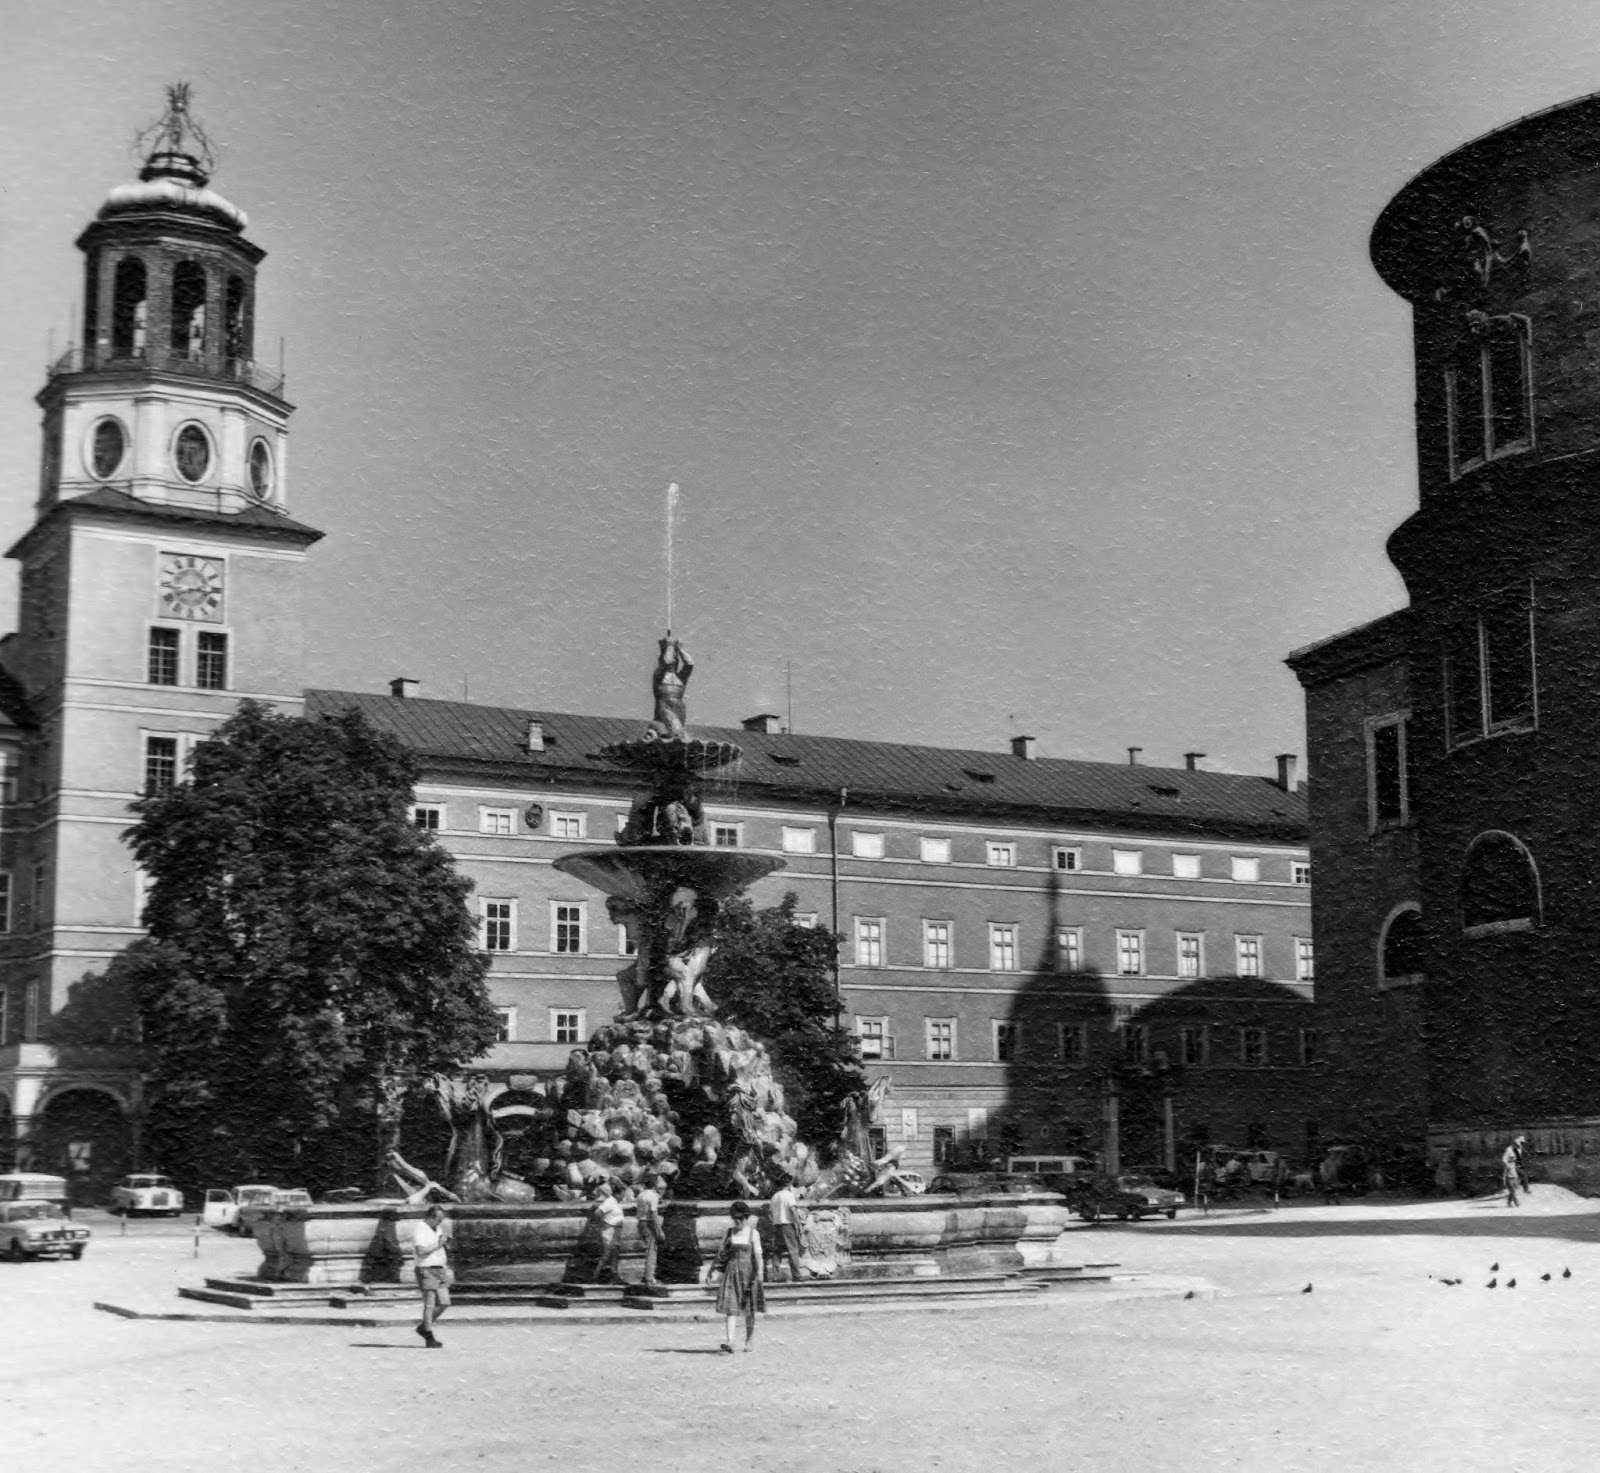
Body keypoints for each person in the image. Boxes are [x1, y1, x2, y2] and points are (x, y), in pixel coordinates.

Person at [712, 1199, 766, 1353]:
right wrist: (713, 1270)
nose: (737, 1221)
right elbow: (721, 1253)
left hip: (749, 1273)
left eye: (740, 1218)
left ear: (746, 1217)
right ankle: (730, 1340)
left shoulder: (753, 1233)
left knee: (750, 1309)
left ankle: (749, 1339)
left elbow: (758, 1255)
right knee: (731, 1307)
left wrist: (760, 1274)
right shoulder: (730, 1232)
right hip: (732, 1272)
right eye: (734, 1217)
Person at [411, 1203, 452, 1349]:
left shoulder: (438, 1228)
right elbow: (421, 1251)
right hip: (426, 1269)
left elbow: (439, 1247)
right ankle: (429, 1335)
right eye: (438, 1220)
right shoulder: (420, 1228)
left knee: (445, 1302)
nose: (440, 1223)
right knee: (430, 1303)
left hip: (440, 1268)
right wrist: (439, 1244)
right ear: (430, 1217)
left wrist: (445, 1244)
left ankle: (424, 1326)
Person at [767, 1173, 806, 1282]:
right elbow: (793, 1210)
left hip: (776, 1225)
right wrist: (799, 1225)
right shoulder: (788, 1195)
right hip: (787, 1225)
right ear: (789, 1183)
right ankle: (797, 1275)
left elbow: (770, 1213)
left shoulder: (774, 1196)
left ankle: (775, 1275)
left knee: (777, 1251)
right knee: (793, 1249)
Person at [591, 1179, 626, 1281]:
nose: (623, 1197)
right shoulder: (610, 1201)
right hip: (610, 1231)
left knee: (615, 1254)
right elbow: (598, 1212)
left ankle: (614, 1275)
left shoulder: (616, 1202)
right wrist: (605, 1223)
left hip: (616, 1231)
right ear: (617, 1194)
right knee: (607, 1254)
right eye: (622, 1194)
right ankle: (595, 1276)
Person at [635, 1172, 665, 1287]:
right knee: (652, 1252)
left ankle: (646, 1276)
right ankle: (650, 1278)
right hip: (649, 1224)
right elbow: (654, 1214)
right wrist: (660, 1231)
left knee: (648, 1250)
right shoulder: (652, 1196)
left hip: (641, 1223)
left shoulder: (641, 1195)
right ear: (654, 1183)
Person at [1502, 1139, 1522, 1208]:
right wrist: (1504, 1179)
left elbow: (1515, 1172)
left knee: (1512, 1191)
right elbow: (1504, 1172)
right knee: (1513, 1191)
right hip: (1509, 1179)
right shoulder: (1507, 1164)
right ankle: (1517, 1203)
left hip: (1514, 1178)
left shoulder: (1514, 1164)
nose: (1513, 1159)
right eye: (1512, 1158)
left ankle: (1509, 1202)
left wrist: (1517, 1178)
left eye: (1513, 1158)